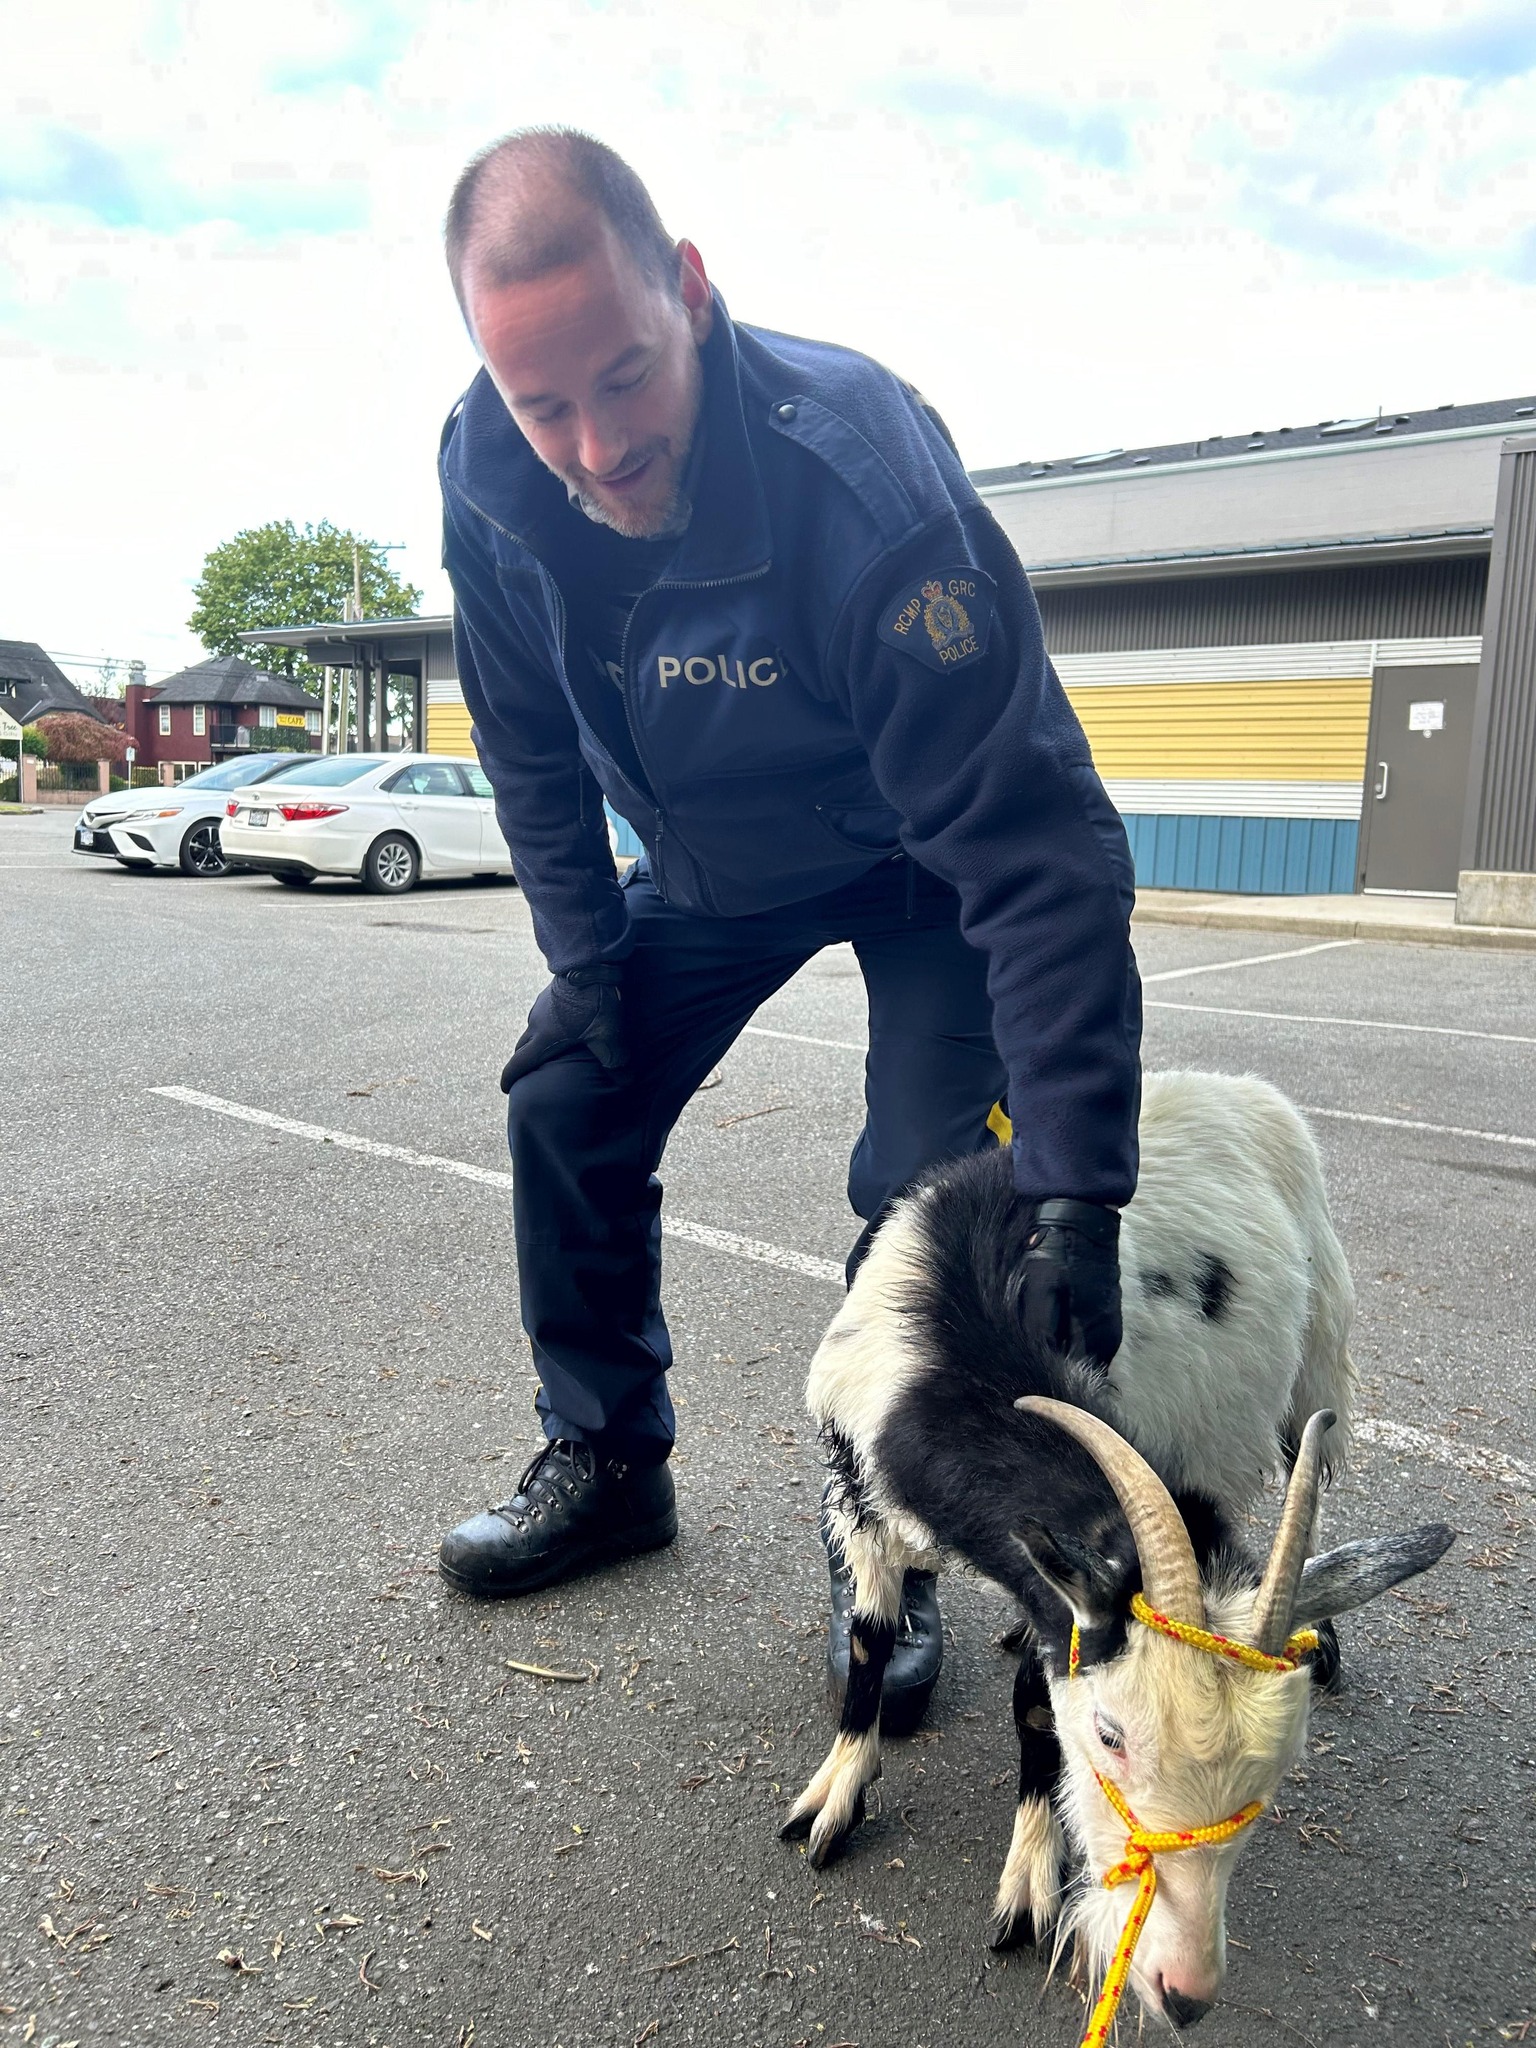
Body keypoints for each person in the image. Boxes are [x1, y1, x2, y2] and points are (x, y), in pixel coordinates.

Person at [435, 127, 1141, 1734]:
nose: (596, 447)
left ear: (687, 290)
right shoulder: (489, 476)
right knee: (565, 1094)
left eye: (624, 380)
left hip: (923, 862)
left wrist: (1082, 1190)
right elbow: (528, 742)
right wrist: (580, 958)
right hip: (708, 870)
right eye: (545, 403)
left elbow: (1035, 853)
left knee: (921, 1192)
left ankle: (881, 1538)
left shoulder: (862, 478)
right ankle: (610, 1461)